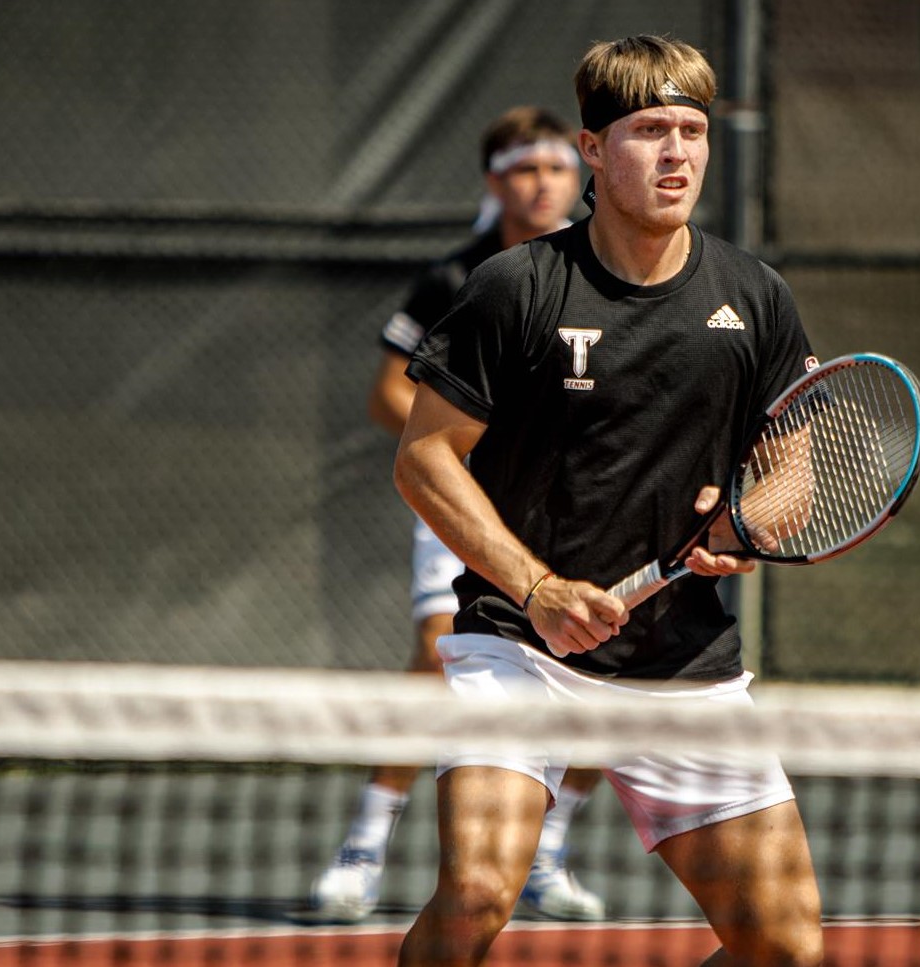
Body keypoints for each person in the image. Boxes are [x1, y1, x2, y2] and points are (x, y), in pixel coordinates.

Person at [393, 35, 824, 967]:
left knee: (785, 947)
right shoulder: (516, 288)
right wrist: (538, 587)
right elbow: (424, 459)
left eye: (690, 130)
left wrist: (749, 520)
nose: (676, 153)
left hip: (684, 665)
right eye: (647, 131)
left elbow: (796, 467)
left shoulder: (754, 298)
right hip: (517, 647)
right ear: (593, 149)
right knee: (473, 893)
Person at [311, 106, 607, 925]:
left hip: (575, 508)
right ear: (493, 181)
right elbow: (387, 393)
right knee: (437, 656)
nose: (541, 182)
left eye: (554, 167)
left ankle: (548, 851)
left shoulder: (598, 273)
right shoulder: (453, 279)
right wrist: (472, 438)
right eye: (522, 168)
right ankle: (364, 848)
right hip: (464, 499)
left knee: (605, 677)